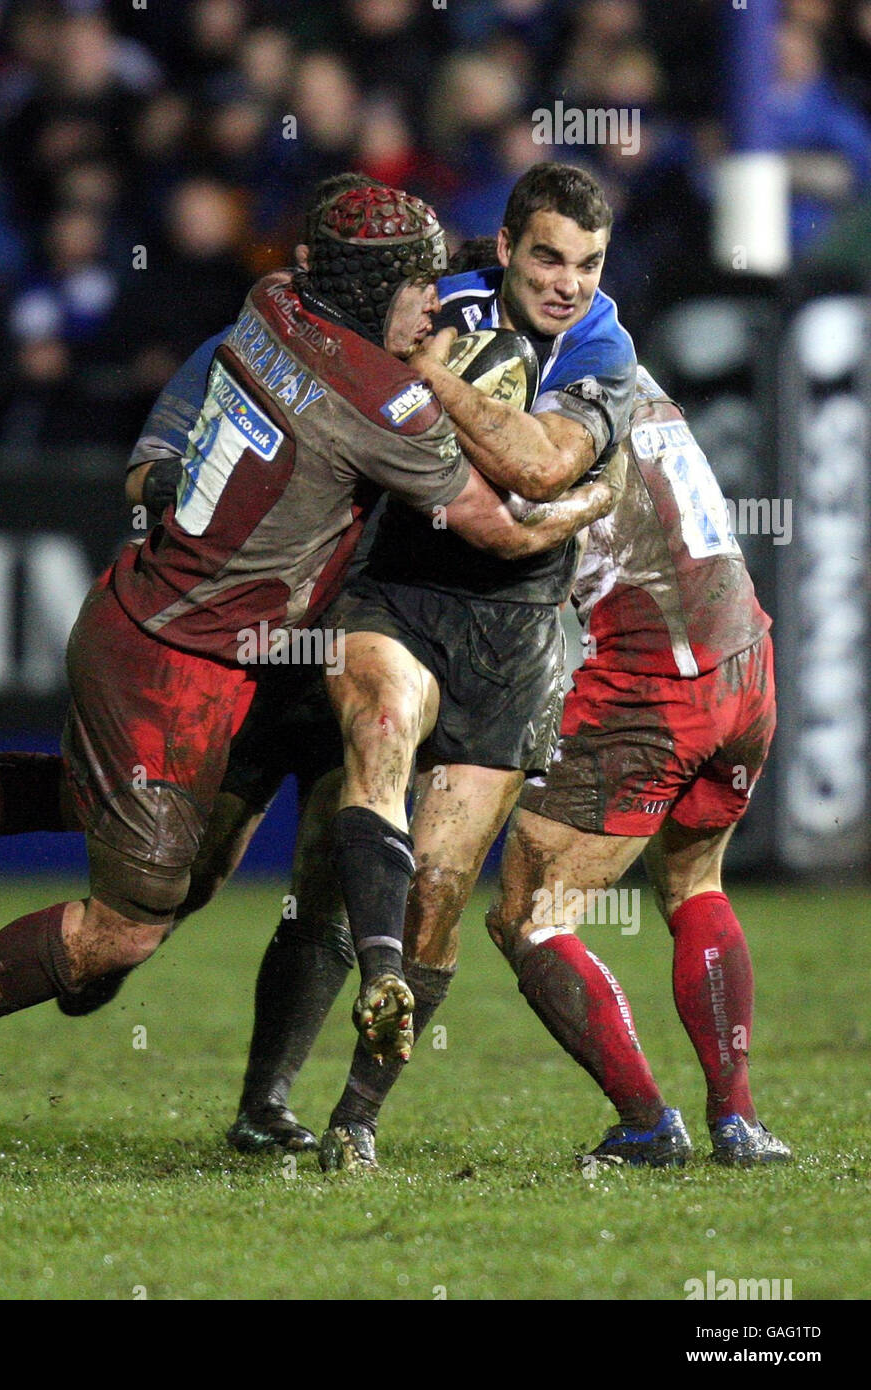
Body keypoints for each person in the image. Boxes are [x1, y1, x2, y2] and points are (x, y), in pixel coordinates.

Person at [0, 180, 565, 1150]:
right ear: (372, 294)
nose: (434, 306)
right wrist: (587, 496)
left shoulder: (269, 305)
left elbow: (201, 435)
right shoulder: (381, 401)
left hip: (154, 619)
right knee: (130, 923)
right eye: (418, 287)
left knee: (89, 799)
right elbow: (502, 527)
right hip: (177, 663)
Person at [314, 161, 638, 1171]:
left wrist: (427, 377)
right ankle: (351, 995)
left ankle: (353, 1116)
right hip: (397, 591)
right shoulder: (435, 289)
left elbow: (540, 467)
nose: (566, 281)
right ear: (504, 248)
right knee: (378, 733)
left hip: (518, 632)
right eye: (546, 255)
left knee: (442, 886)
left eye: (586, 262)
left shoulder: (605, 353)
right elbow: (315, 306)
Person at [485, 363, 792, 1168]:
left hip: (658, 683)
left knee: (529, 916)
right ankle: (739, 1123)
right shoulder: (627, 369)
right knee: (695, 885)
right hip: (748, 661)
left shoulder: (539, 409)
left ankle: (650, 1124)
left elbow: (505, 534)